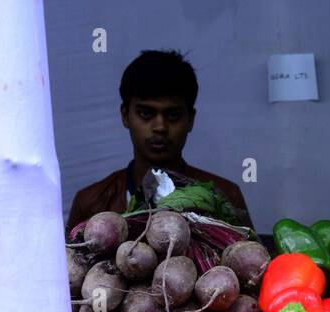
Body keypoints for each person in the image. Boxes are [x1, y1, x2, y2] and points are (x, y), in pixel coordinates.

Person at [66, 50, 252, 232]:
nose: (160, 127)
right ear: (125, 115)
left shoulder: (225, 196)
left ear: (190, 119)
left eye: (173, 115)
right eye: (146, 113)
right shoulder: (91, 202)